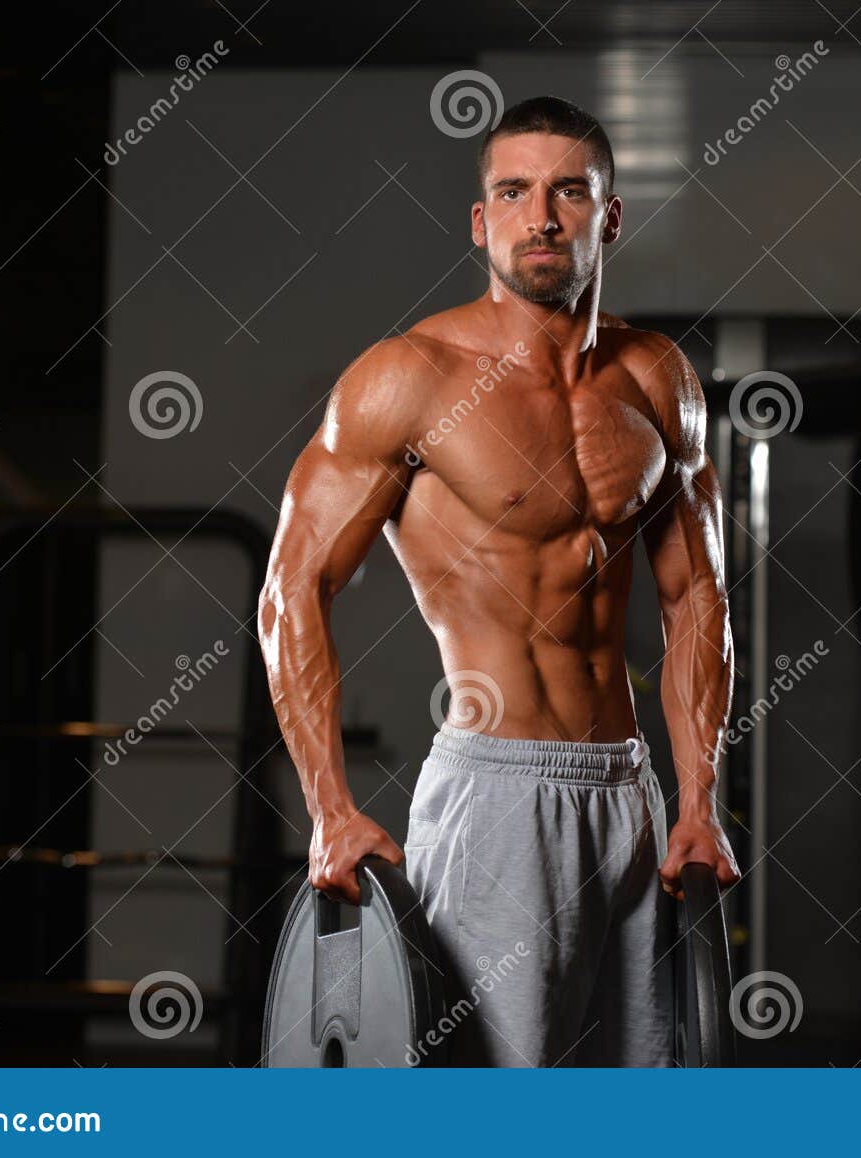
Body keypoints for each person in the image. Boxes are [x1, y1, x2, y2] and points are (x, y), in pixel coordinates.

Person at [258, 95, 740, 1066]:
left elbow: (697, 598)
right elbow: (291, 591)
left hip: (630, 795)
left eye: (569, 191)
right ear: (482, 223)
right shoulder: (409, 378)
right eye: (513, 193)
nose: (543, 217)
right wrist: (328, 809)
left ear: (608, 216)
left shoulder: (657, 379)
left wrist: (700, 799)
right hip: (496, 796)